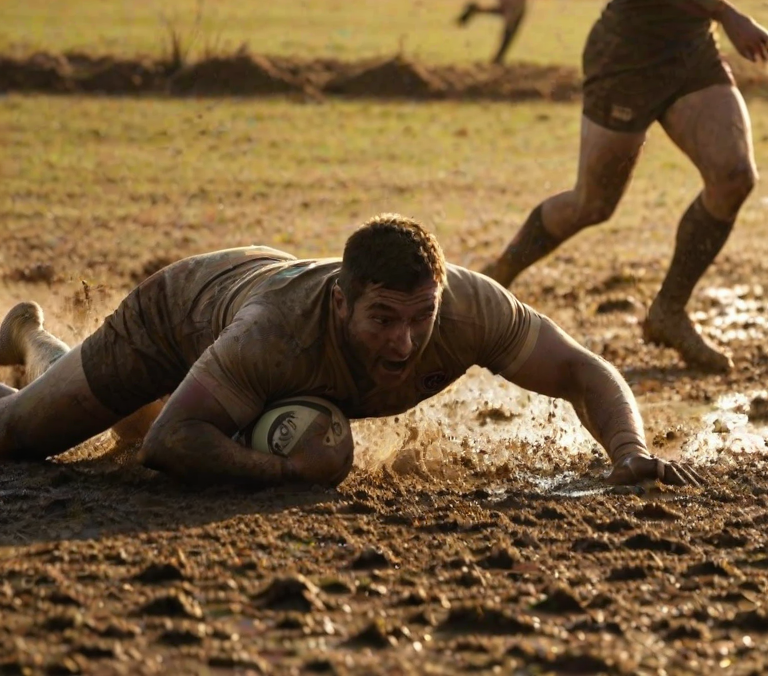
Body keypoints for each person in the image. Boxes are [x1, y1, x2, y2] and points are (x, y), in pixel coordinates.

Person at [0, 214, 701, 489]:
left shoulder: (468, 307)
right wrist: (283, 471)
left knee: (132, 423)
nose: (403, 342)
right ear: (342, 301)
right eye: (382, 319)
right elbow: (174, 445)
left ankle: (30, 339)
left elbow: (583, 369)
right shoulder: (276, 332)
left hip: (249, 316)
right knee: (23, 436)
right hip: (180, 312)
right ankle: (27, 338)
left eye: (418, 317)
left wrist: (629, 450)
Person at [482, 0, 768, 374]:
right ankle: (495, 280)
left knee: (734, 175)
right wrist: (726, 12)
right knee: (593, 204)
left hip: (692, 50)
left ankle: (668, 312)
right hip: (629, 52)